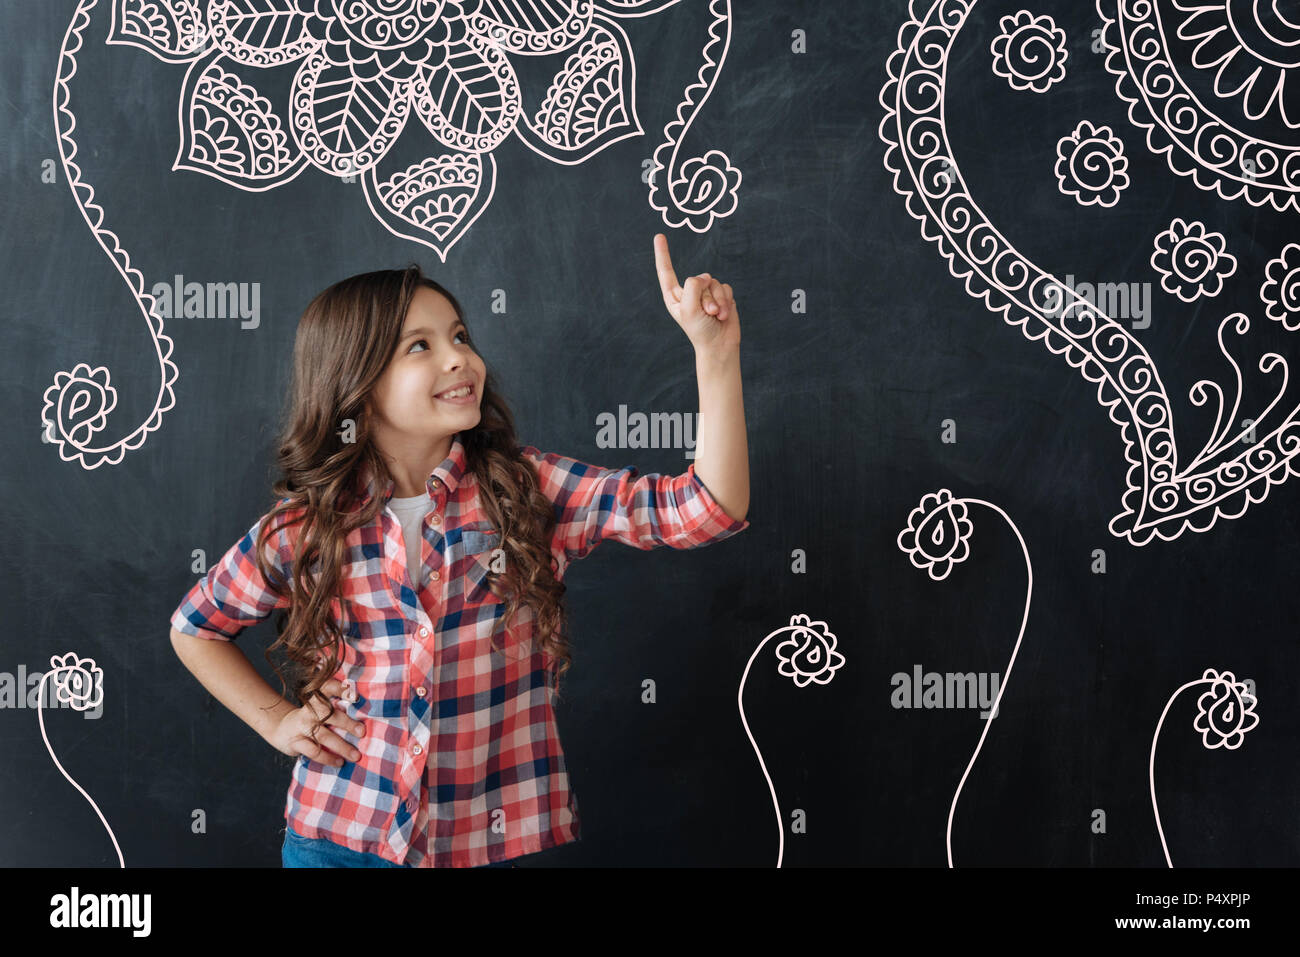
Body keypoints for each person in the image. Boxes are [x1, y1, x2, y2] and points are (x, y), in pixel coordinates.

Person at [168, 234, 751, 867]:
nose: (459, 359)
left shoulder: (529, 489)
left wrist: (715, 355)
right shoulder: (308, 527)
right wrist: (278, 722)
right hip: (338, 840)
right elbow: (195, 629)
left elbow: (707, 510)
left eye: (461, 336)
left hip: (497, 843)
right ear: (355, 382)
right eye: (421, 346)